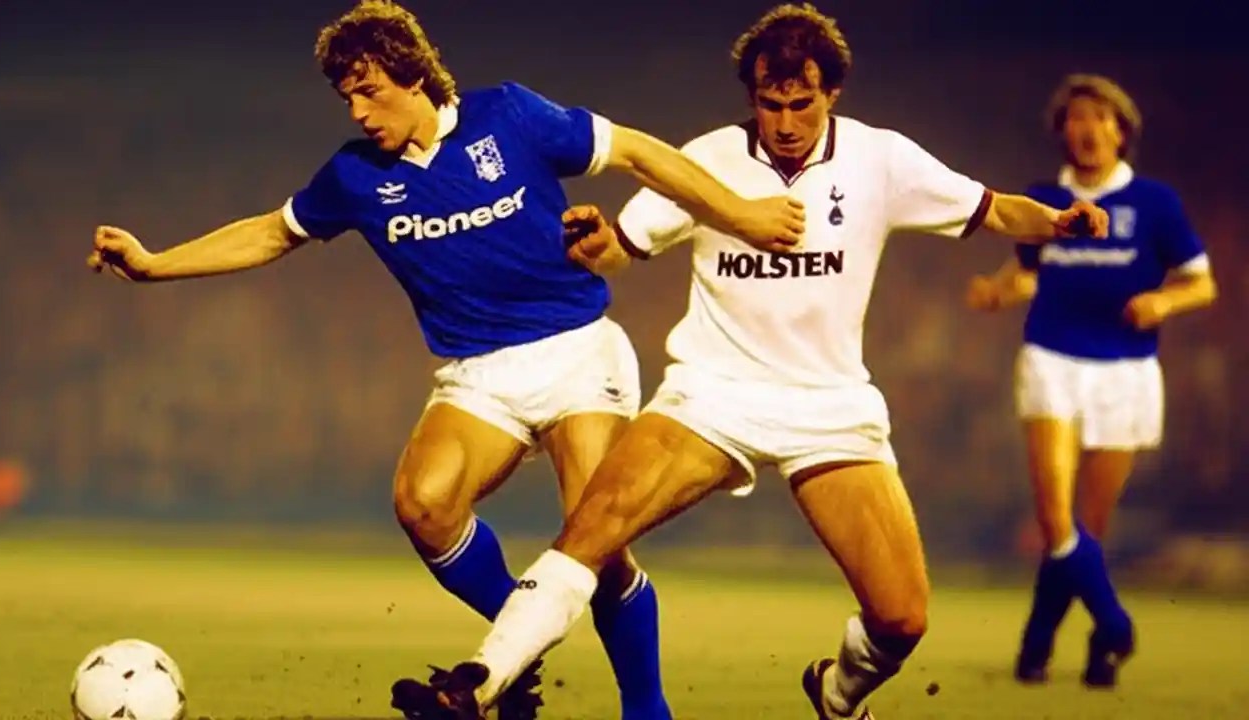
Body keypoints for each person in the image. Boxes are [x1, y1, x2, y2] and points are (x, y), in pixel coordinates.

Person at [85, 2, 805, 719]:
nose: (360, 112)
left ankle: (645, 709)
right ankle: (512, 656)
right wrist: (153, 265)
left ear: (411, 74)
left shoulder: (511, 118)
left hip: (578, 349)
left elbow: (638, 152)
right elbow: (272, 233)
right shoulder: (354, 176)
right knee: (423, 506)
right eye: (347, 98)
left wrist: (739, 215)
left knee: (600, 542)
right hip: (477, 374)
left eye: (369, 91)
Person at [388, 5, 1109, 719]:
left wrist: (1056, 222)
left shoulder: (881, 159)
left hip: (829, 407)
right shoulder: (706, 162)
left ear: (832, 95)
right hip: (710, 397)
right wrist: (589, 238)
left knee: (902, 619)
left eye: (802, 104)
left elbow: (991, 209)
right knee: (592, 529)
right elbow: (620, 249)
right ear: (753, 97)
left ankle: (836, 692)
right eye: (771, 104)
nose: (786, 121)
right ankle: (480, 684)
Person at [965, 73, 1217, 688]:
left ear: (1120, 131)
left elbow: (1201, 283)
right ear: (1062, 133)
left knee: (1089, 530)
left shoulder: (1155, 204)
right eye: (1075, 118)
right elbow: (1026, 273)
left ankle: (1042, 643)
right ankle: (1114, 625)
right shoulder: (1045, 198)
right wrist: (1000, 292)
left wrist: (1162, 302)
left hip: (1126, 372)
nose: (1086, 128)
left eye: (1098, 117)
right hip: (1052, 358)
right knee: (1055, 521)